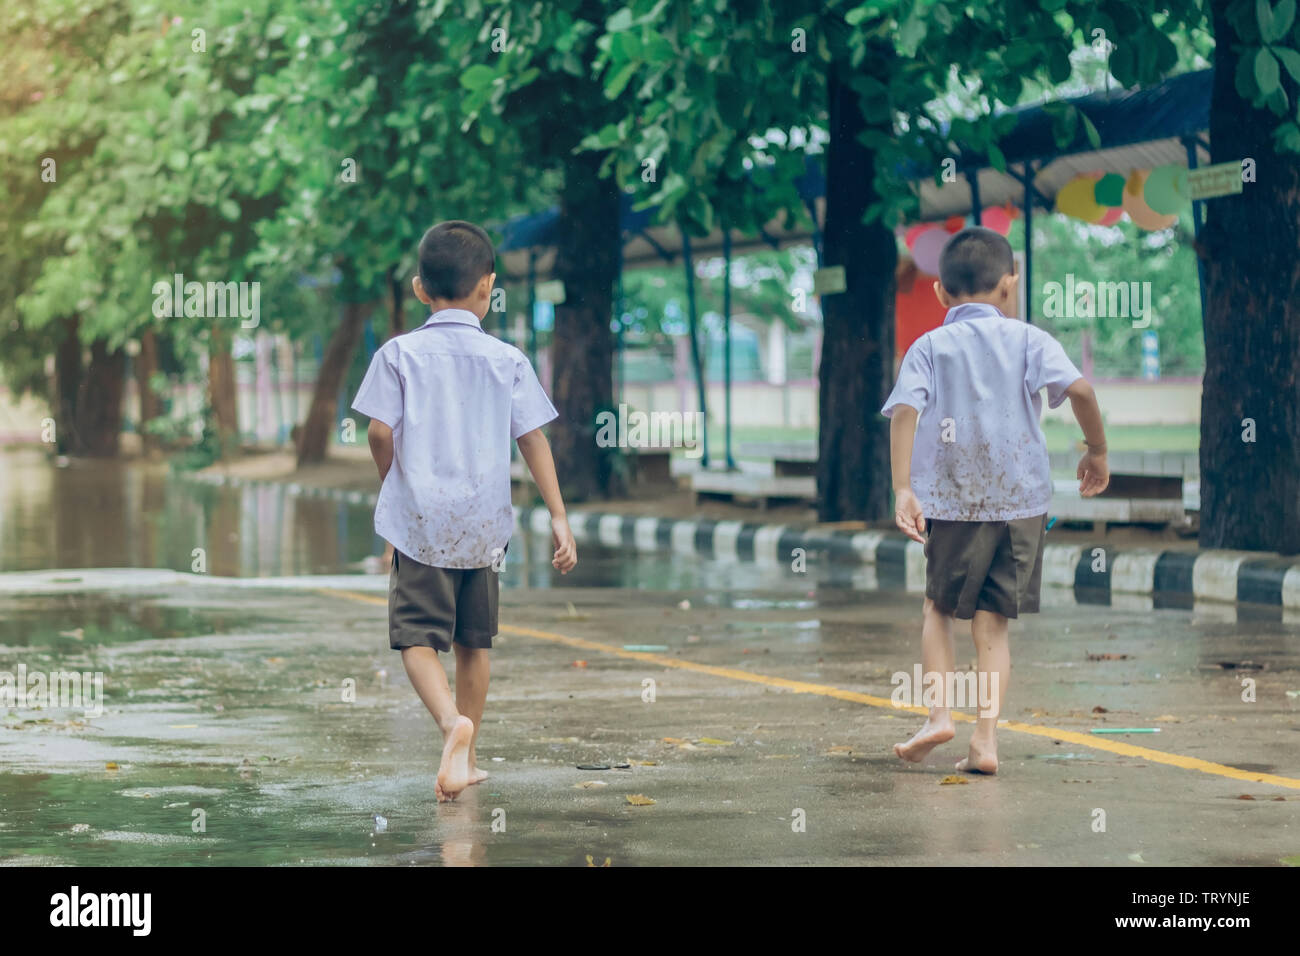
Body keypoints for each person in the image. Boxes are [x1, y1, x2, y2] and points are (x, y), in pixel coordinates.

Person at [353, 220, 577, 801]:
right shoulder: (506, 359)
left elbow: (380, 431)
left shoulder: (398, 353)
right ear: (488, 286)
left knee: (417, 637)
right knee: (475, 640)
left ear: (420, 288)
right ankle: (466, 757)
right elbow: (533, 438)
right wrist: (557, 516)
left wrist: (393, 479)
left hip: (421, 521)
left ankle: (452, 725)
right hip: (484, 523)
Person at [882, 226, 1109, 774]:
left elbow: (906, 412)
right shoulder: (1031, 340)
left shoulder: (929, 346)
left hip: (955, 502)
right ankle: (985, 740)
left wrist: (903, 487)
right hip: (1021, 502)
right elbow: (1079, 390)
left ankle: (940, 715)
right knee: (993, 625)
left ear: (939, 293)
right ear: (1010, 285)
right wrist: (1096, 450)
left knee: (938, 607)